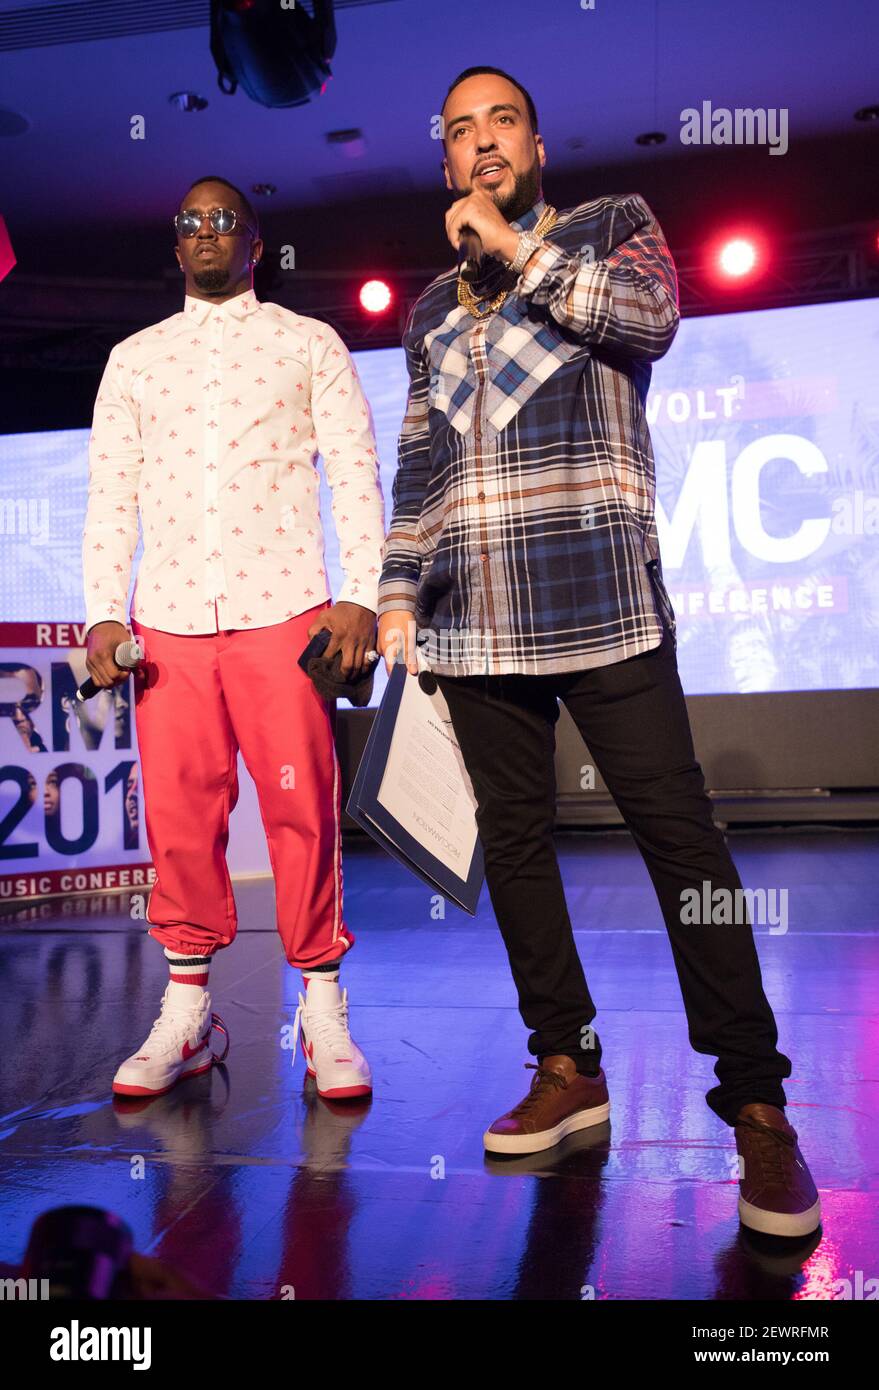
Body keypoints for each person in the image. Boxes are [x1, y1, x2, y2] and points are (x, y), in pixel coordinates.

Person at [377, 67, 820, 1237]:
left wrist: (514, 254)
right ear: (442, 161)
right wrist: (394, 592)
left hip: (601, 599)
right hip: (476, 620)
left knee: (682, 841)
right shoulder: (429, 307)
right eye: (457, 130)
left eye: (500, 123)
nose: (480, 145)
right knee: (515, 848)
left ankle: (760, 1107)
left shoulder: (610, 229)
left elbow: (649, 322)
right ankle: (568, 1066)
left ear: (534, 143)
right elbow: (419, 463)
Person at [84, 175, 384, 1102]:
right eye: (189, 221)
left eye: (223, 219)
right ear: (175, 245)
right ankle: (189, 1013)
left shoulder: (308, 343)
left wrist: (363, 594)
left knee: (301, 812)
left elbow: (356, 474)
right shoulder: (133, 359)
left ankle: (321, 1008)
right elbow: (113, 494)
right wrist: (103, 608)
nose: (205, 231)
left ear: (255, 242)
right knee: (180, 820)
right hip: (168, 621)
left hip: (285, 607)